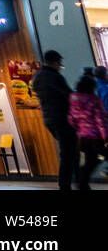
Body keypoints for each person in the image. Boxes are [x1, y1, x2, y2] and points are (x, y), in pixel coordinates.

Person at [31, 49, 76, 191]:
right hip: (62, 118)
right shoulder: (55, 77)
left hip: (48, 118)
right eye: (59, 63)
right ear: (55, 62)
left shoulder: (37, 76)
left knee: (69, 150)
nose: (59, 66)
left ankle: (73, 181)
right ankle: (66, 184)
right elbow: (67, 95)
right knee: (68, 152)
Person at [70, 72, 108, 191]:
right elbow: (100, 120)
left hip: (82, 138)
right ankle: (103, 173)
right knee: (96, 159)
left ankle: (83, 183)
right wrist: (106, 135)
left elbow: (71, 119)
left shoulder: (73, 99)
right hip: (96, 137)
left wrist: (78, 131)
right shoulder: (94, 100)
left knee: (91, 160)